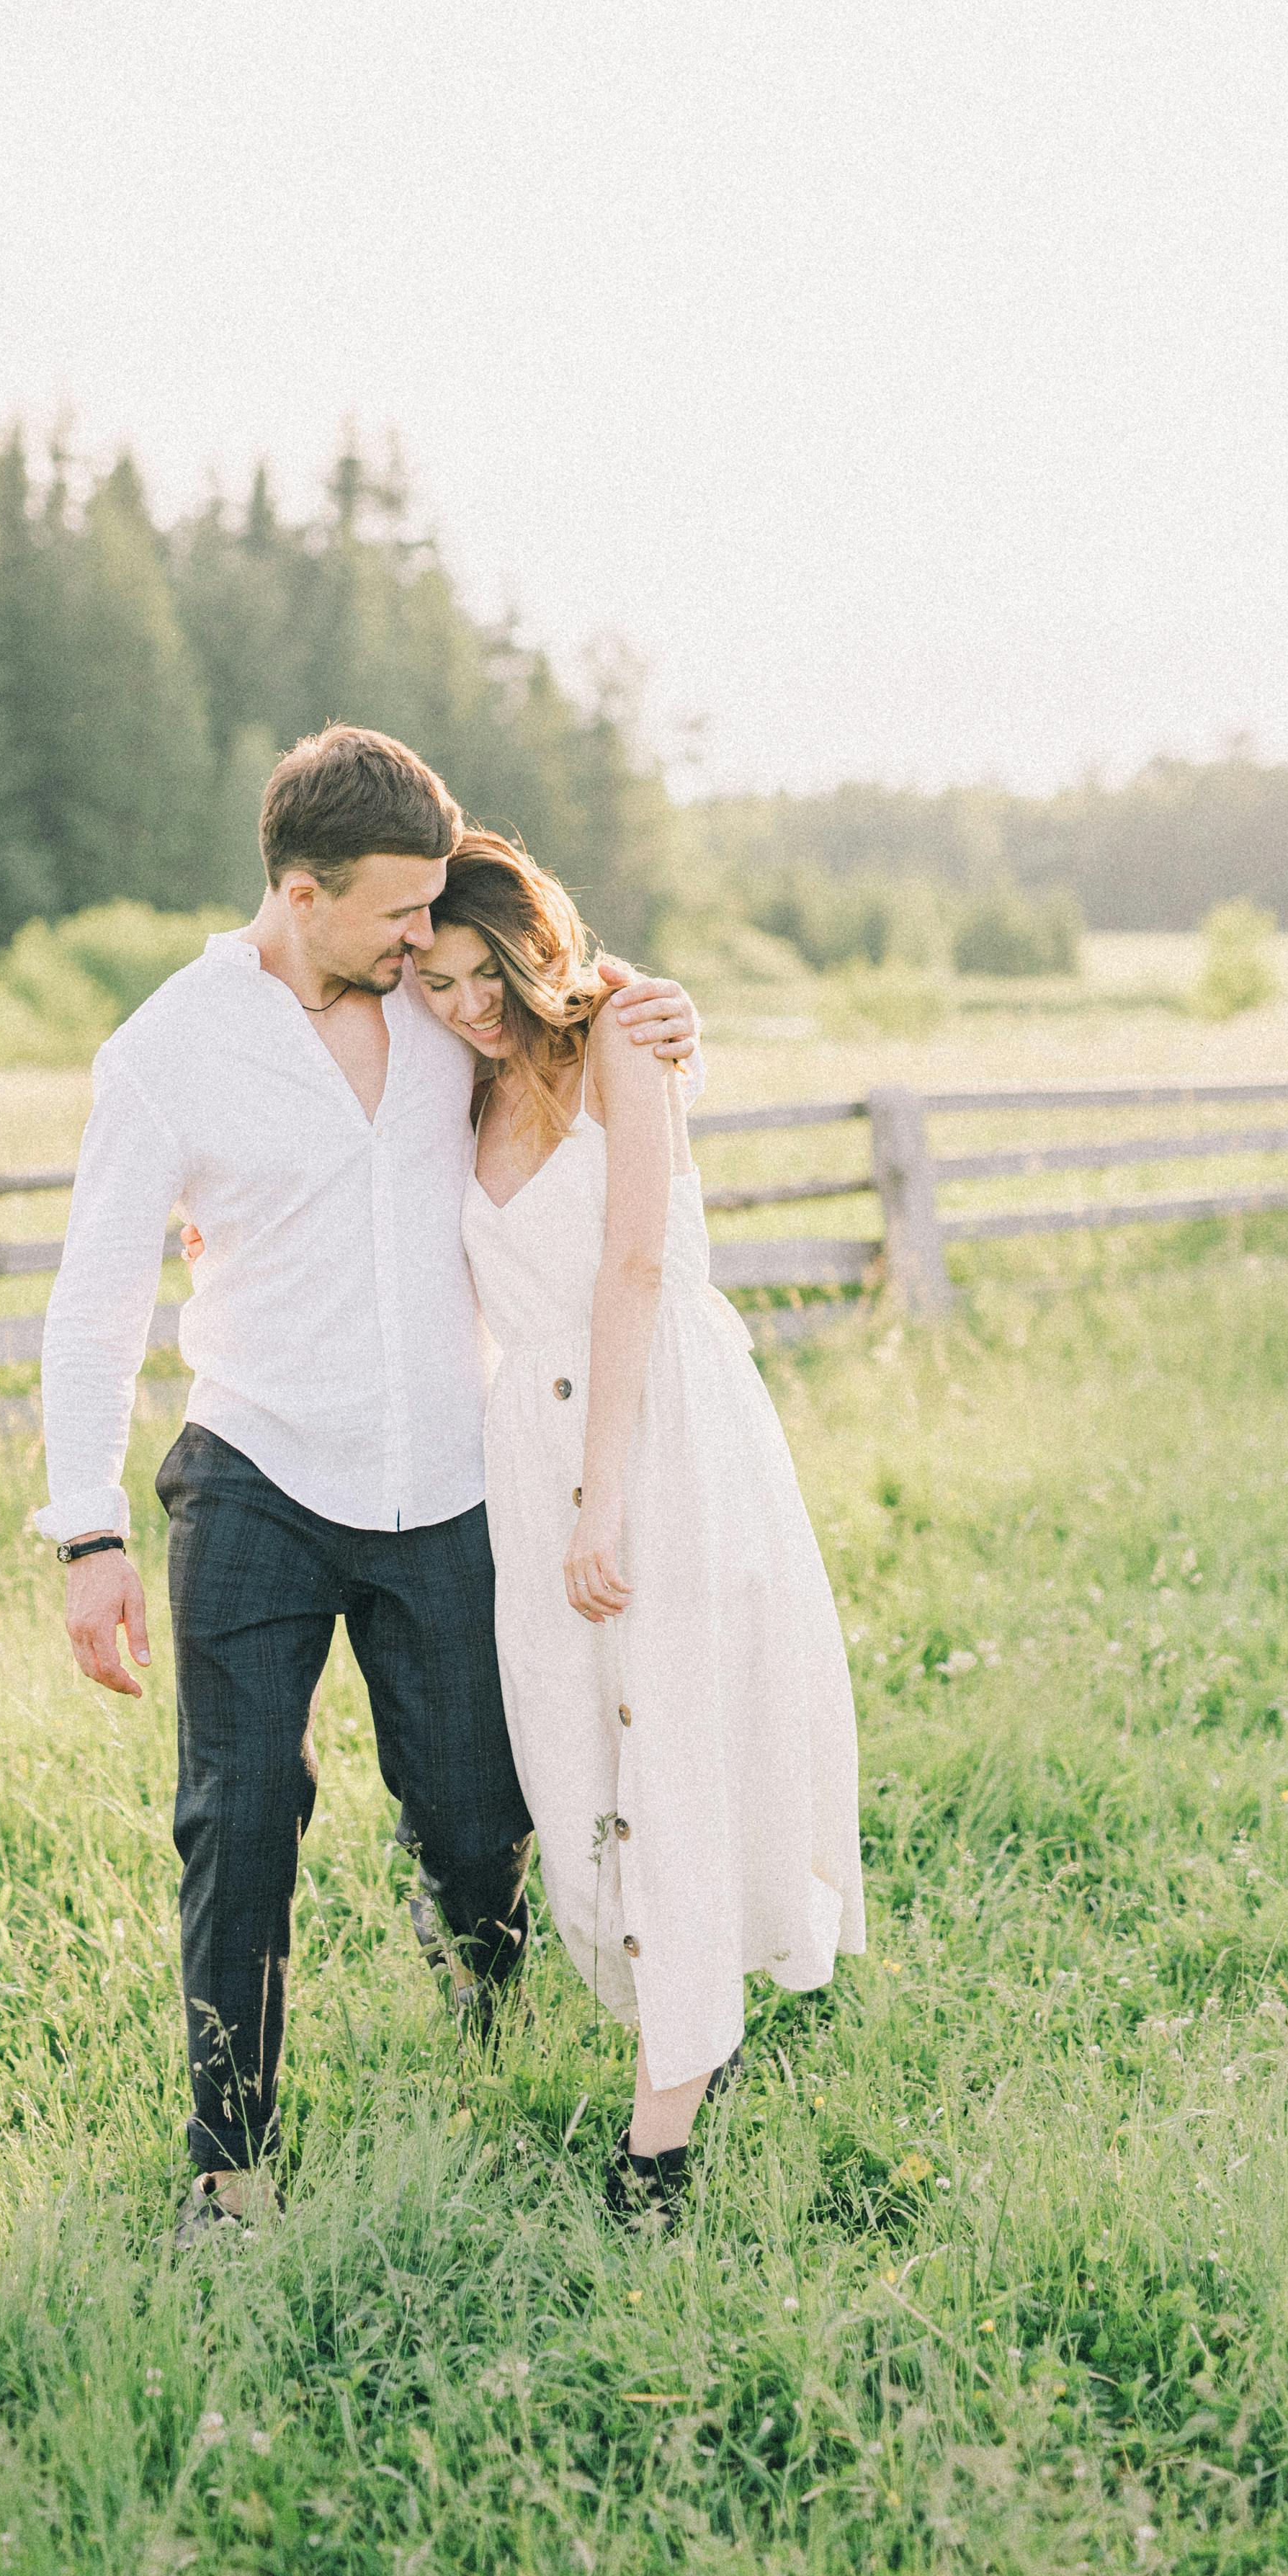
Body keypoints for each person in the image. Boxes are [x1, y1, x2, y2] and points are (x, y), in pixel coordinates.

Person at [35, 725, 699, 2234]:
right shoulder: (165, 1052)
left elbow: (580, 1049)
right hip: (255, 1469)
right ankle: (229, 2166)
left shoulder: (442, 1002)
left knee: (475, 1816)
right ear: (300, 892)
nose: (422, 935)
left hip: (452, 1477)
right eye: (398, 912)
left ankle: (482, 1974)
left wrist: (666, 1021)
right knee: (238, 1815)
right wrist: (85, 1532)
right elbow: (94, 1299)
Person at [411, 831, 864, 2223]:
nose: (465, 1007)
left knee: (674, 1741)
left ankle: (656, 2142)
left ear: (532, 950)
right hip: (534, 1444)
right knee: (576, 1750)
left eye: (484, 976)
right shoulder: (457, 1084)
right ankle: (688, 2016)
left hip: (657, 1428)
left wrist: (602, 1492)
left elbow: (636, 1260)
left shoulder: (621, 1034)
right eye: (435, 982)